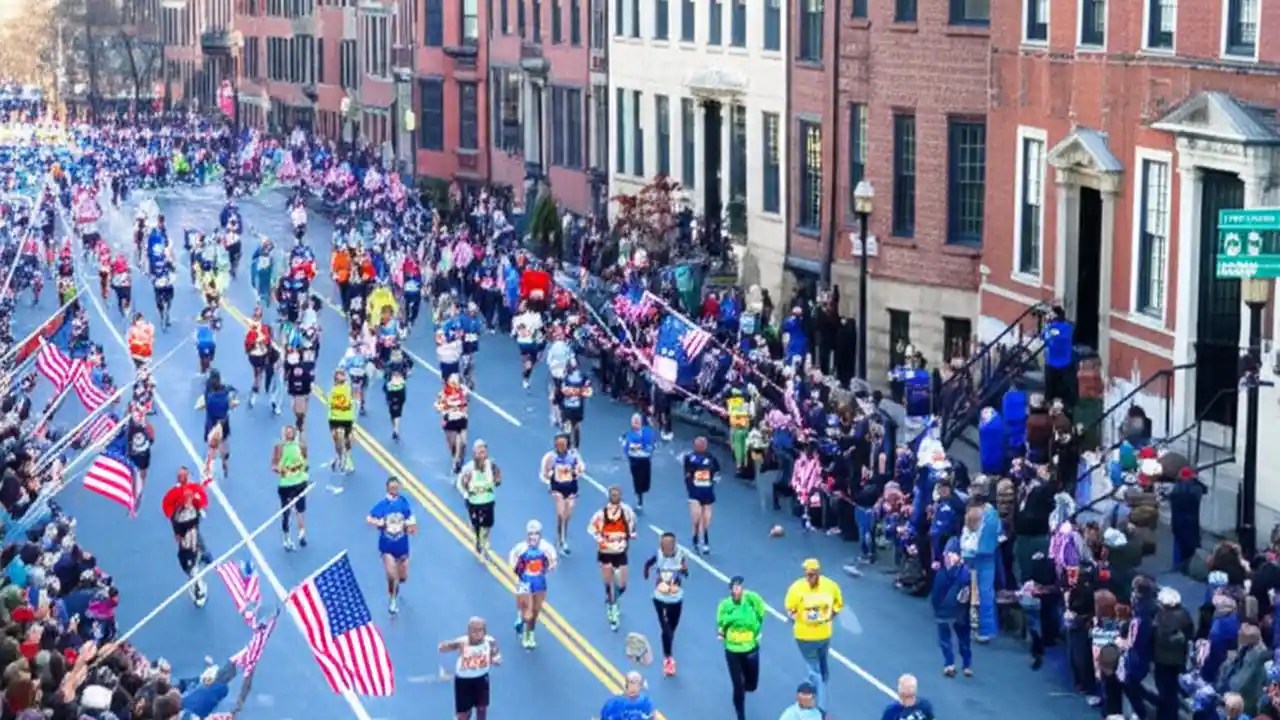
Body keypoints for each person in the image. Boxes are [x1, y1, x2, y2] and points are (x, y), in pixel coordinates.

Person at [784, 558, 843, 713]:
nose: (810, 577)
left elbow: (838, 603)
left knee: (821, 668)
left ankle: (808, 691)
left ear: (818, 573)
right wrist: (800, 618)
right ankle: (821, 706)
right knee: (815, 669)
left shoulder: (829, 586)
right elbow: (789, 608)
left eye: (813, 574)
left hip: (823, 634)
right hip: (805, 637)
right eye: (808, 574)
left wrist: (830, 616)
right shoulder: (797, 588)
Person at [588, 486, 638, 631]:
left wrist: (630, 535)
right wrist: (600, 539)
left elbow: (632, 527)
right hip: (605, 552)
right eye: (612, 494)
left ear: (621, 496)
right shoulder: (601, 514)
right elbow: (591, 528)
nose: (615, 497)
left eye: (617, 494)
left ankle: (613, 599)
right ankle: (613, 609)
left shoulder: (626, 512)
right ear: (609, 496)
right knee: (608, 582)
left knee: (622, 585)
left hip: (621, 552)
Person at [367, 477, 417, 613]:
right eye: (392, 487)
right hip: (387, 546)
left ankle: (396, 587)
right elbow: (369, 518)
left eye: (397, 487)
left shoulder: (403, 502)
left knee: (403, 578)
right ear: (387, 488)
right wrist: (379, 523)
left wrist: (411, 527)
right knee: (392, 575)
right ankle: (392, 600)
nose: (395, 489)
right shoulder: (383, 504)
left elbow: (410, 518)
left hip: (402, 545)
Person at [718, 576, 765, 720]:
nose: (739, 590)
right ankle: (740, 714)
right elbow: (721, 623)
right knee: (738, 686)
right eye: (736, 587)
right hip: (733, 650)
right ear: (731, 590)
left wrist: (756, 629)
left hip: (750, 648)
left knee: (751, 685)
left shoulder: (752, 599)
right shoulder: (725, 605)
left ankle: (743, 687)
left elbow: (761, 612)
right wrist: (723, 632)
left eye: (740, 587)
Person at [642, 532, 688, 676]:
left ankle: (668, 645)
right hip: (660, 598)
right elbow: (647, 564)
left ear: (674, 545)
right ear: (661, 545)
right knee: (666, 628)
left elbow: (686, 574)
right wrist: (647, 573)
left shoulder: (680, 556)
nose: (667, 547)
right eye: (664, 544)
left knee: (671, 630)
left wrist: (683, 570)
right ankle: (668, 659)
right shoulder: (657, 555)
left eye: (670, 544)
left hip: (676, 598)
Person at [438, 617, 501, 720]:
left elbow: (496, 654)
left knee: (482, 708)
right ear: (469, 631)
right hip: (463, 681)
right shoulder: (462, 642)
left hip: (481, 678)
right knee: (464, 713)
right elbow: (442, 648)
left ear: (484, 630)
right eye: (474, 630)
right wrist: (445, 646)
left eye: (480, 630)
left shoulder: (490, 641)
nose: (477, 633)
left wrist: (496, 659)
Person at [510, 519, 557, 649]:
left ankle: (529, 632)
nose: (532, 536)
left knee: (535, 612)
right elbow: (513, 561)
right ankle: (524, 626)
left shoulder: (547, 548)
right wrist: (520, 569)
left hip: (539, 584)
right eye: (530, 534)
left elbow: (552, 563)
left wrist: (549, 565)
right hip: (524, 584)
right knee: (528, 613)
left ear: (540, 535)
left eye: (535, 533)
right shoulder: (520, 548)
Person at [929, 538, 972, 677]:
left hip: (959, 612)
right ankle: (949, 664)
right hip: (944, 611)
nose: (948, 556)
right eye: (946, 553)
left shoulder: (963, 572)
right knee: (945, 640)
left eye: (951, 553)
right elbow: (935, 593)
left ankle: (966, 664)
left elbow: (965, 592)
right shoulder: (941, 572)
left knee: (963, 640)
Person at [541, 433, 584, 555]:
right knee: (560, 514)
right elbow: (544, 472)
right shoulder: (551, 457)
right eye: (558, 444)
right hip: (557, 488)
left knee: (568, 514)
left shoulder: (573, 455)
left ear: (567, 444)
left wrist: (577, 471)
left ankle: (563, 533)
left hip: (571, 488)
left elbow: (581, 468)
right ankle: (561, 540)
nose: (561, 446)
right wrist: (549, 475)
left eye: (563, 444)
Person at [458, 440, 502, 553]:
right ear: (474, 453)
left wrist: (495, 482)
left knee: (488, 524)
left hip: (488, 499)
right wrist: (466, 493)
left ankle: (485, 538)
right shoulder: (468, 468)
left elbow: (498, 478)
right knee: (475, 524)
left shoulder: (491, 466)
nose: (482, 451)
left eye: (484, 449)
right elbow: (461, 482)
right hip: (473, 501)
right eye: (479, 449)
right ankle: (478, 539)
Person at [271, 425, 310, 550]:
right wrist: (281, 470)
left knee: (300, 510)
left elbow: (305, 463)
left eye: (290, 433)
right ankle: (287, 538)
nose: (288, 435)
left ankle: (301, 534)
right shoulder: (279, 448)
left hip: (299, 483)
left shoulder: (301, 446)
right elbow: (274, 466)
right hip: (286, 486)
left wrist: (300, 470)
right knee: (287, 513)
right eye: (286, 433)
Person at [682, 436, 720, 554]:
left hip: (708, 492)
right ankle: (695, 539)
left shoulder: (711, 458)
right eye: (698, 443)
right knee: (696, 516)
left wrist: (712, 482)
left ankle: (705, 540)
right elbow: (687, 475)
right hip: (694, 492)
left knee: (707, 520)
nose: (701, 445)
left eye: (703, 443)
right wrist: (690, 487)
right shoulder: (689, 458)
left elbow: (717, 473)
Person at [621, 413, 656, 510]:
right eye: (634, 421)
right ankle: (639, 498)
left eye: (637, 421)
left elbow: (652, 445)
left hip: (645, 460)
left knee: (646, 484)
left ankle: (641, 492)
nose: (636, 423)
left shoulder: (647, 433)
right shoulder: (628, 435)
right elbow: (626, 447)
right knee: (637, 480)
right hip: (635, 461)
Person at [327, 368, 356, 474]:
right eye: (339, 375)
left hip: (346, 417)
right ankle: (339, 457)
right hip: (334, 418)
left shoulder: (348, 388)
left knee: (347, 439)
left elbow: (353, 401)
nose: (341, 377)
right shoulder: (333, 390)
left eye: (342, 375)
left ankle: (348, 459)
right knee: (337, 440)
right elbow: (330, 404)